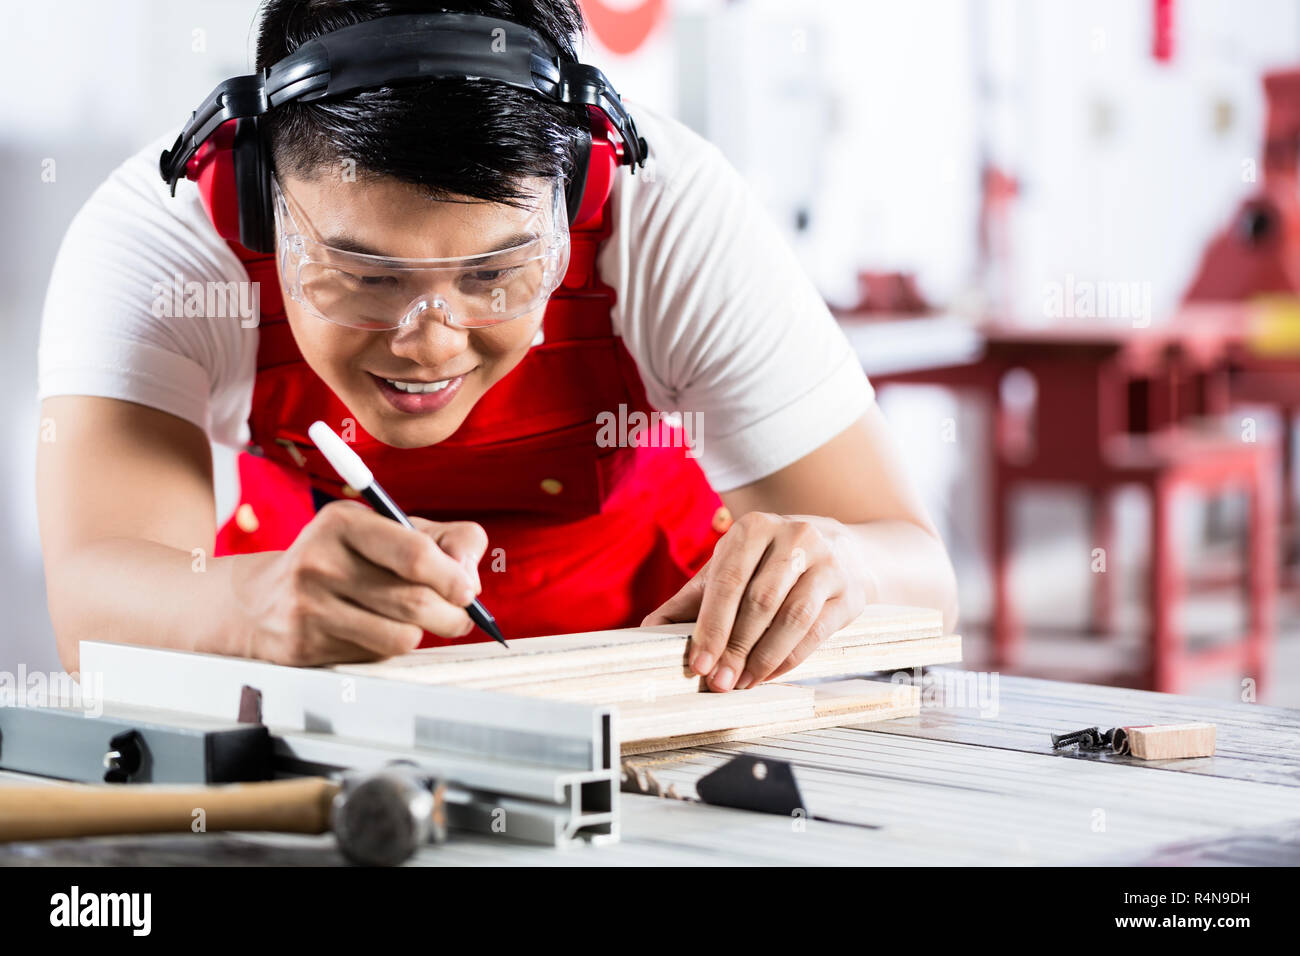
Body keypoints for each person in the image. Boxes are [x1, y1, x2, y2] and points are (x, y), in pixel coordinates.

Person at [37, 0, 957, 694]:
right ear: (255, 201)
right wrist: (251, 606)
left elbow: (925, 582)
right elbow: (92, 606)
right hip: (323, 666)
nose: (430, 342)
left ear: (583, 190)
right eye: (365, 275)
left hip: (650, 675)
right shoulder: (163, 239)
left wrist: (844, 566)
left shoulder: (669, 209)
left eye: (495, 275)